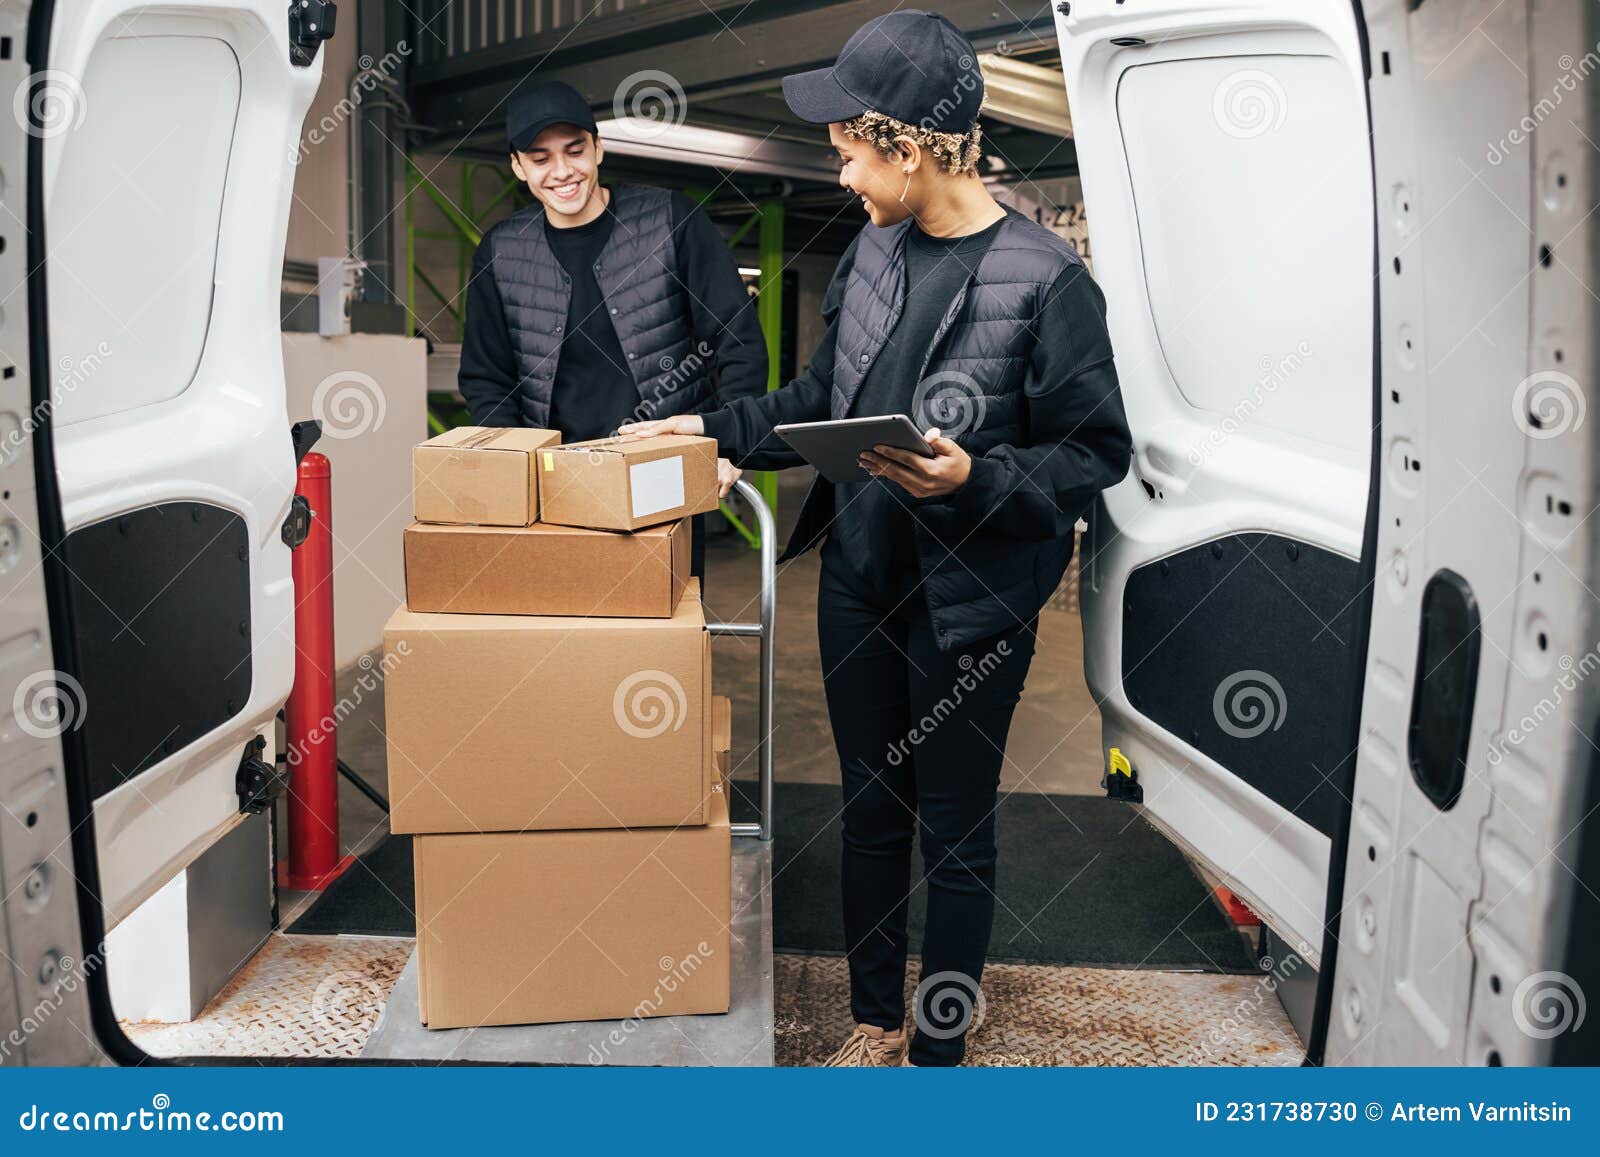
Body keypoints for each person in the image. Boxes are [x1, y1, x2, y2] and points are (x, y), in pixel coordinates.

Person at [623, 11, 1132, 1067]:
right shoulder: (873, 248)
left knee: (953, 829)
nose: (843, 173)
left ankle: (936, 1048)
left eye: (851, 152)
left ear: (904, 145)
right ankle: (872, 1018)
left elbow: (1092, 454)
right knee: (868, 808)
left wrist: (977, 476)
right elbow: (821, 395)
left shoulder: (1046, 281)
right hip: (860, 578)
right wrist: (712, 427)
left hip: (969, 603)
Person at [457, 79, 764, 576]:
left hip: (662, 471)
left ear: (598, 148)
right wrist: (516, 470)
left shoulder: (672, 220)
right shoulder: (500, 251)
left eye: (575, 151)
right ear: (517, 166)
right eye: (540, 159)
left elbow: (735, 339)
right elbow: (486, 377)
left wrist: (731, 442)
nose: (562, 172)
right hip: (553, 485)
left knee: (664, 632)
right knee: (570, 638)